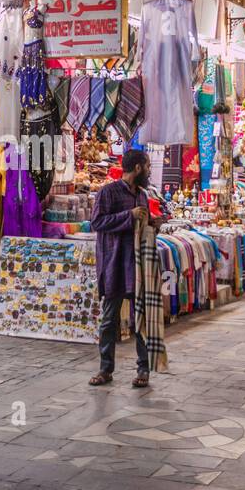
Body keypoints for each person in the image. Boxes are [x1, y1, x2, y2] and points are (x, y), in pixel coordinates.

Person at [88, 149, 162, 388]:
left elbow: (142, 224)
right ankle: (105, 368)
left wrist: (153, 224)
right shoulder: (107, 192)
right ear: (138, 168)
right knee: (109, 319)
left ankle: (143, 370)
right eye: (148, 166)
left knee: (140, 317)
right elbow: (97, 222)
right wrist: (128, 216)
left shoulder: (141, 195)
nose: (149, 171)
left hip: (137, 266)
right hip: (114, 264)